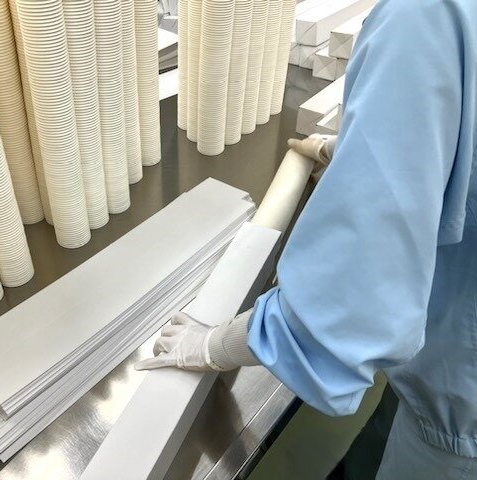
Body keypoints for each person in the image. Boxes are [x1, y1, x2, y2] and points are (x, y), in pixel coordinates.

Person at [135, 0, 477, 477]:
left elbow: (349, 301)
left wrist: (215, 344)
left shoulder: (426, 14)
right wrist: (362, 150)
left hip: (456, 422)